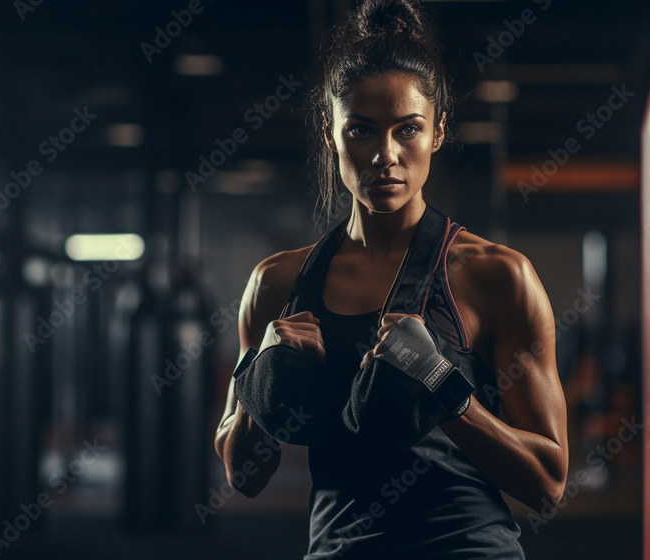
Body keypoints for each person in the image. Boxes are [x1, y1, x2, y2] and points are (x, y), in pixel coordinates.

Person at [214, 0, 567, 557]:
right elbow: (244, 475)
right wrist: (264, 373)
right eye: (361, 130)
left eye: (409, 130)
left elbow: (548, 485)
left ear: (439, 132)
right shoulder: (277, 283)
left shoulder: (497, 276)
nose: (385, 155)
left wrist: (445, 389)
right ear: (330, 133)